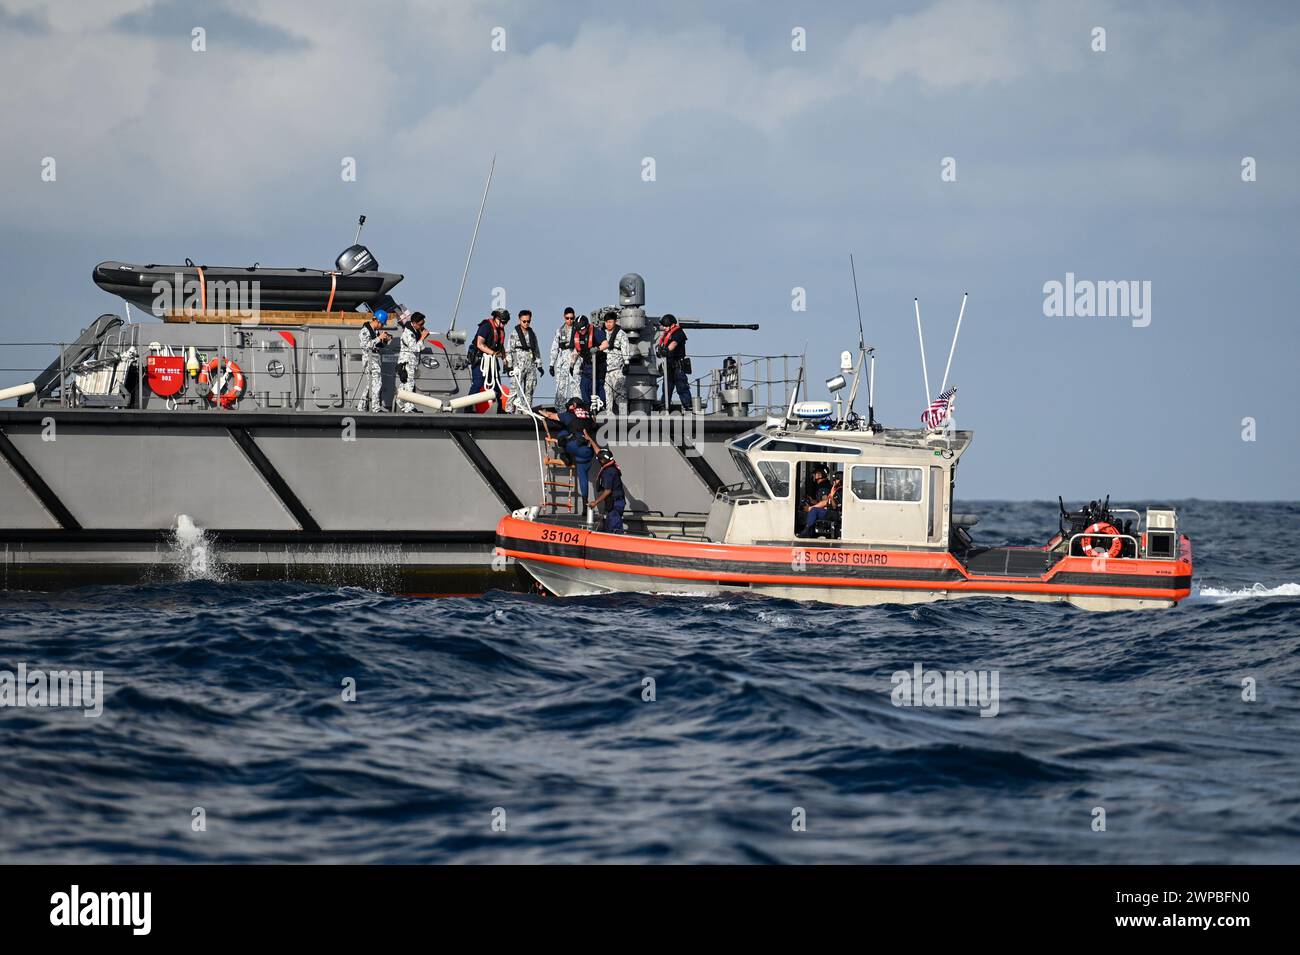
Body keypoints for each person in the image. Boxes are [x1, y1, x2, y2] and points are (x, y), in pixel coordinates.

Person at [539, 397, 601, 503]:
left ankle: (566, 455)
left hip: (576, 447)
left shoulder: (569, 415)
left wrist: (538, 410)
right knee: (583, 477)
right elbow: (594, 425)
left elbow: (549, 415)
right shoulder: (590, 415)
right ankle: (585, 504)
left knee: (562, 434)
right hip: (589, 451)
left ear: (574, 405)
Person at [468, 308, 509, 409]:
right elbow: (479, 344)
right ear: (496, 318)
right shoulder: (486, 327)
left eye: (506, 322)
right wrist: (494, 353)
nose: (504, 324)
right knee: (478, 384)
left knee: (497, 385)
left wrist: (504, 359)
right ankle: (468, 408)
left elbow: (500, 346)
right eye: (503, 322)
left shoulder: (500, 330)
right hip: (480, 360)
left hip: (492, 360)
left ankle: (499, 408)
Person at [506, 309, 543, 413]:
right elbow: (509, 350)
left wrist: (539, 365)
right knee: (515, 389)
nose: (526, 323)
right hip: (518, 365)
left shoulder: (532, 334)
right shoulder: (514, 333)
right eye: (524, 321)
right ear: (519, 320)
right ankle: (509, 410)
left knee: (530, 389)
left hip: (530, 365)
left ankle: (526, 410)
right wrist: (509, 366)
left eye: (528, 321)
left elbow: (536, 350)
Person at [656, 313, 693, 411]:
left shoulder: (679, 333)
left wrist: (666, 350)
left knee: (682, 387)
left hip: (678, 366)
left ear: (672, 325)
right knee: (667, 387)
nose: (664, 328)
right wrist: (660, 352)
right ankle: (664, 405)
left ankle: (687, 405)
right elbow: (662, 346)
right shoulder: (666, 335)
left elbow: (674, 343)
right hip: (668, 365)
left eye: (666, 326)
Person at [356, 309, 392, 411]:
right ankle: (375, 407)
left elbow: (377, 346)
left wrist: (384, 340)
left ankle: (361, 407)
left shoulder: (375, 332)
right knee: (377, 383)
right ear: (377, 321)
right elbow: (365, 346)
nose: (383, 326)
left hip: (375, 359)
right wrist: (378, 338)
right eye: (382, 324)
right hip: (369, 360)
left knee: (370, 385)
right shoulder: (364, 331)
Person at [597, 311, 631, 414]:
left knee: (620, 394)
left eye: (610, 322)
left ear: (615, 322)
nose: (608, 324)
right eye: (606, 322)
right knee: (608, 393)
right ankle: (609, 413)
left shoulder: (621, 334)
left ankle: (623, 414)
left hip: (617, 369)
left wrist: (626, 363)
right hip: (606, 369)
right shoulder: (602, 334)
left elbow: (625, 348)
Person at [395, 311, 429, 413]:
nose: (422, 326)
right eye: (420, 324)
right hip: (406, 363)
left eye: (423, 323)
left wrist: (422, 336)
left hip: (411, 362)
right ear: (414, 323)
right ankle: (409, 408)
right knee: (410, 385)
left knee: (404, 385)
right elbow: (414, 348)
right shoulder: (408, 333)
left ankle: (400, 401)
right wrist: (422, 337)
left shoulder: (415, 331)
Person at [575, 313, 607, 409]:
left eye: (583, 329)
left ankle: (601, 406)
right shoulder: (577, 334)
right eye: (580, 330)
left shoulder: (596, 332)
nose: (582, 332)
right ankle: (587, 408)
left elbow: (606, 344)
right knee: (584, 387)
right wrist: (572, 364)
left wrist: (597, 348)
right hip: (587, 366)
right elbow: (576, 351)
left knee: (598, 386)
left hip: (599, 365)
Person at [591, 448, 626, 533]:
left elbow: (607, 491)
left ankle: (617, 543)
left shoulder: (608, 472)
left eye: (600, 460)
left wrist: (595, 502)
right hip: (616, 502)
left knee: (614, 528)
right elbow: (600, 453)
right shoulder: (612, 465)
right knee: (608, 526)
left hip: (615, 504)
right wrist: (590, 440)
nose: (599, 461)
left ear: (603, 461)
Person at [548, 307, 578, 408]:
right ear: (564, 317)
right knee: (560, 387)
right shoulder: (560, 331)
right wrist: (551, 364)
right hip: (562, 361)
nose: (569, 320)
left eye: (571, 318)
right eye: (567, 318)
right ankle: (560, 409)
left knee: (575, 385)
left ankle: (577, 407)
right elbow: (555, 347)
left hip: (574, 361)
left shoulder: (578, 330)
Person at [800, 465, 840, 537]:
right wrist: (811, 501)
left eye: (815, 473)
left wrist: (810, 508)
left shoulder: (823, 487)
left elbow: (825, 502)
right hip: (828, 510)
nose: (814, 475)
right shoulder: (822, 485)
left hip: (829, 512)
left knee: (813, 511)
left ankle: (807, 532)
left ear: (819, 475)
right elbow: (821, 501)